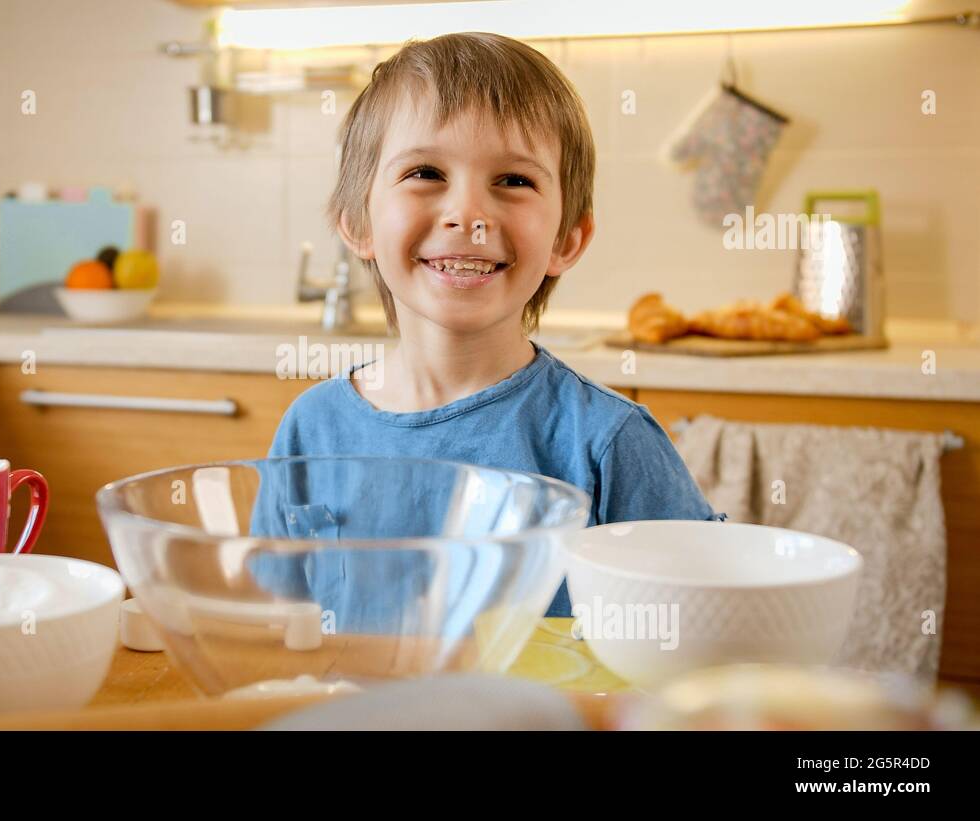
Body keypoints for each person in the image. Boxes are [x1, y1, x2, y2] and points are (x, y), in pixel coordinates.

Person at [251, 32, 725, 628]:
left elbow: (695, 633)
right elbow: (270, 629)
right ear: (356, 222)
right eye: (425, 172)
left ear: (566, 240)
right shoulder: (310, 428)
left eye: (514, 181)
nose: (469, 215)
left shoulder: (608, 442)